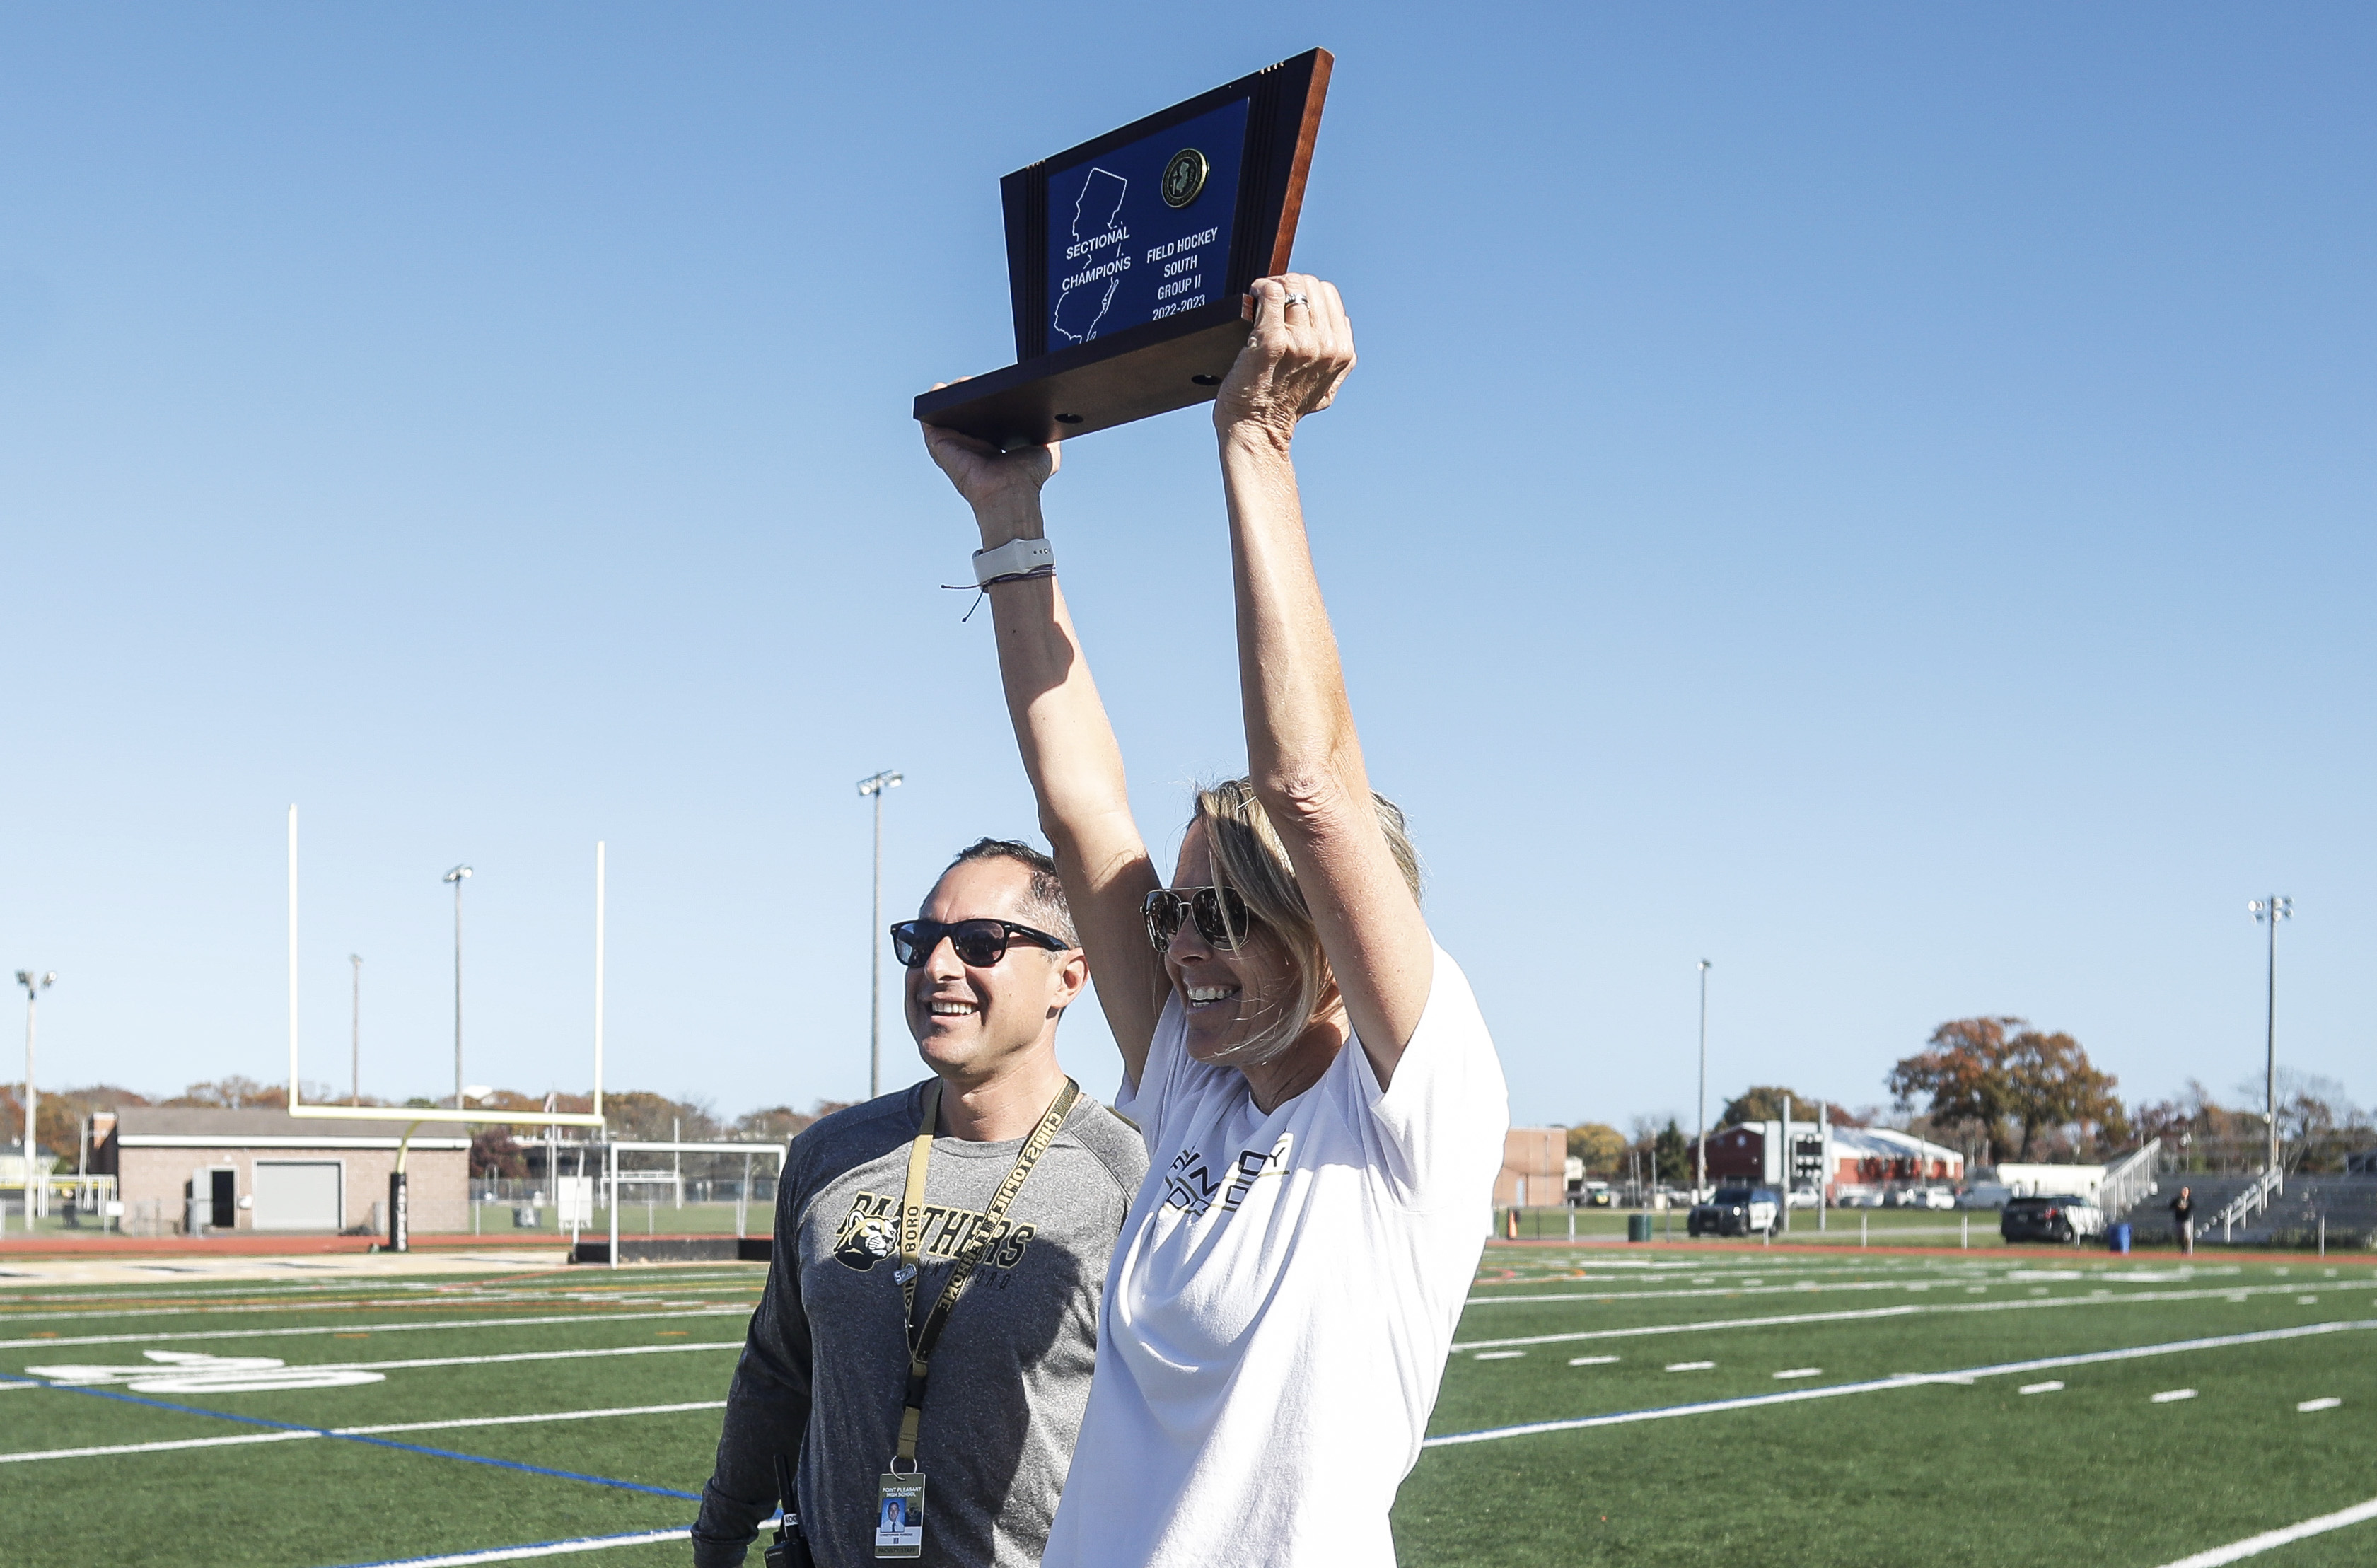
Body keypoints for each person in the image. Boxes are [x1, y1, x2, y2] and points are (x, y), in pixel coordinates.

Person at [923, 274, 1509, 1567]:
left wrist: (1258, 443)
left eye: (1225, 917)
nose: (1178, 945)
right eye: (1178, 911)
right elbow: (1078, 804)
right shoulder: (1193, 1081)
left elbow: (1309, 785)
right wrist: (1009, 517)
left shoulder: (1412, 1107)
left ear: (1333, 937)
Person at [692, 838, 1148, 1568]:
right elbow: (778, 1369)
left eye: (978, 942)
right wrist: (718, 1539)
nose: (937, 966)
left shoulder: (1130, 1172)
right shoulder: (829, 1155)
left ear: (1068, 976)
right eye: (921, 939)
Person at [2172, 1183, 2194, 1255]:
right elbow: (2171, 1206)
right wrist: (2178, 1207)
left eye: (2186, 1192)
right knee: (2180, 1236)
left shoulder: (2189, 1201)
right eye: (2183, 1191)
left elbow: (2191, 1207)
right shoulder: (2177, 1200)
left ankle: (2188, 1249)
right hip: (2178, 1220)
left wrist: (2184, 1208)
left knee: (2187, 1235)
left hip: (2186, 1220)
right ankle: (2183, 1249)